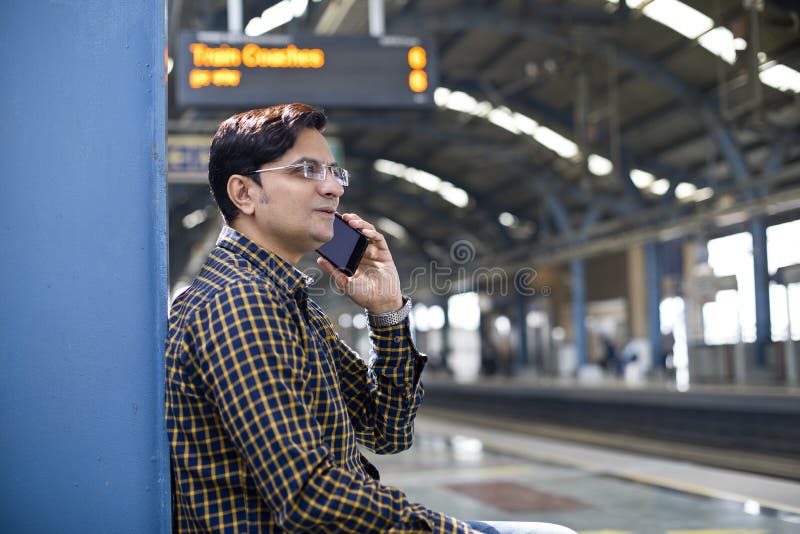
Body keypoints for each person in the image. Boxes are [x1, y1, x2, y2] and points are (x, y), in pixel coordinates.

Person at [165, 103, 576, 533]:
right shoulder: (241, 304)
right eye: (306, 171)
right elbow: (312, 499)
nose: (331, 189)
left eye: (334, 173)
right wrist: (457, 532)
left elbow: (388, 431)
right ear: (243, 193)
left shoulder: (284, 298)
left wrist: (387, 313)